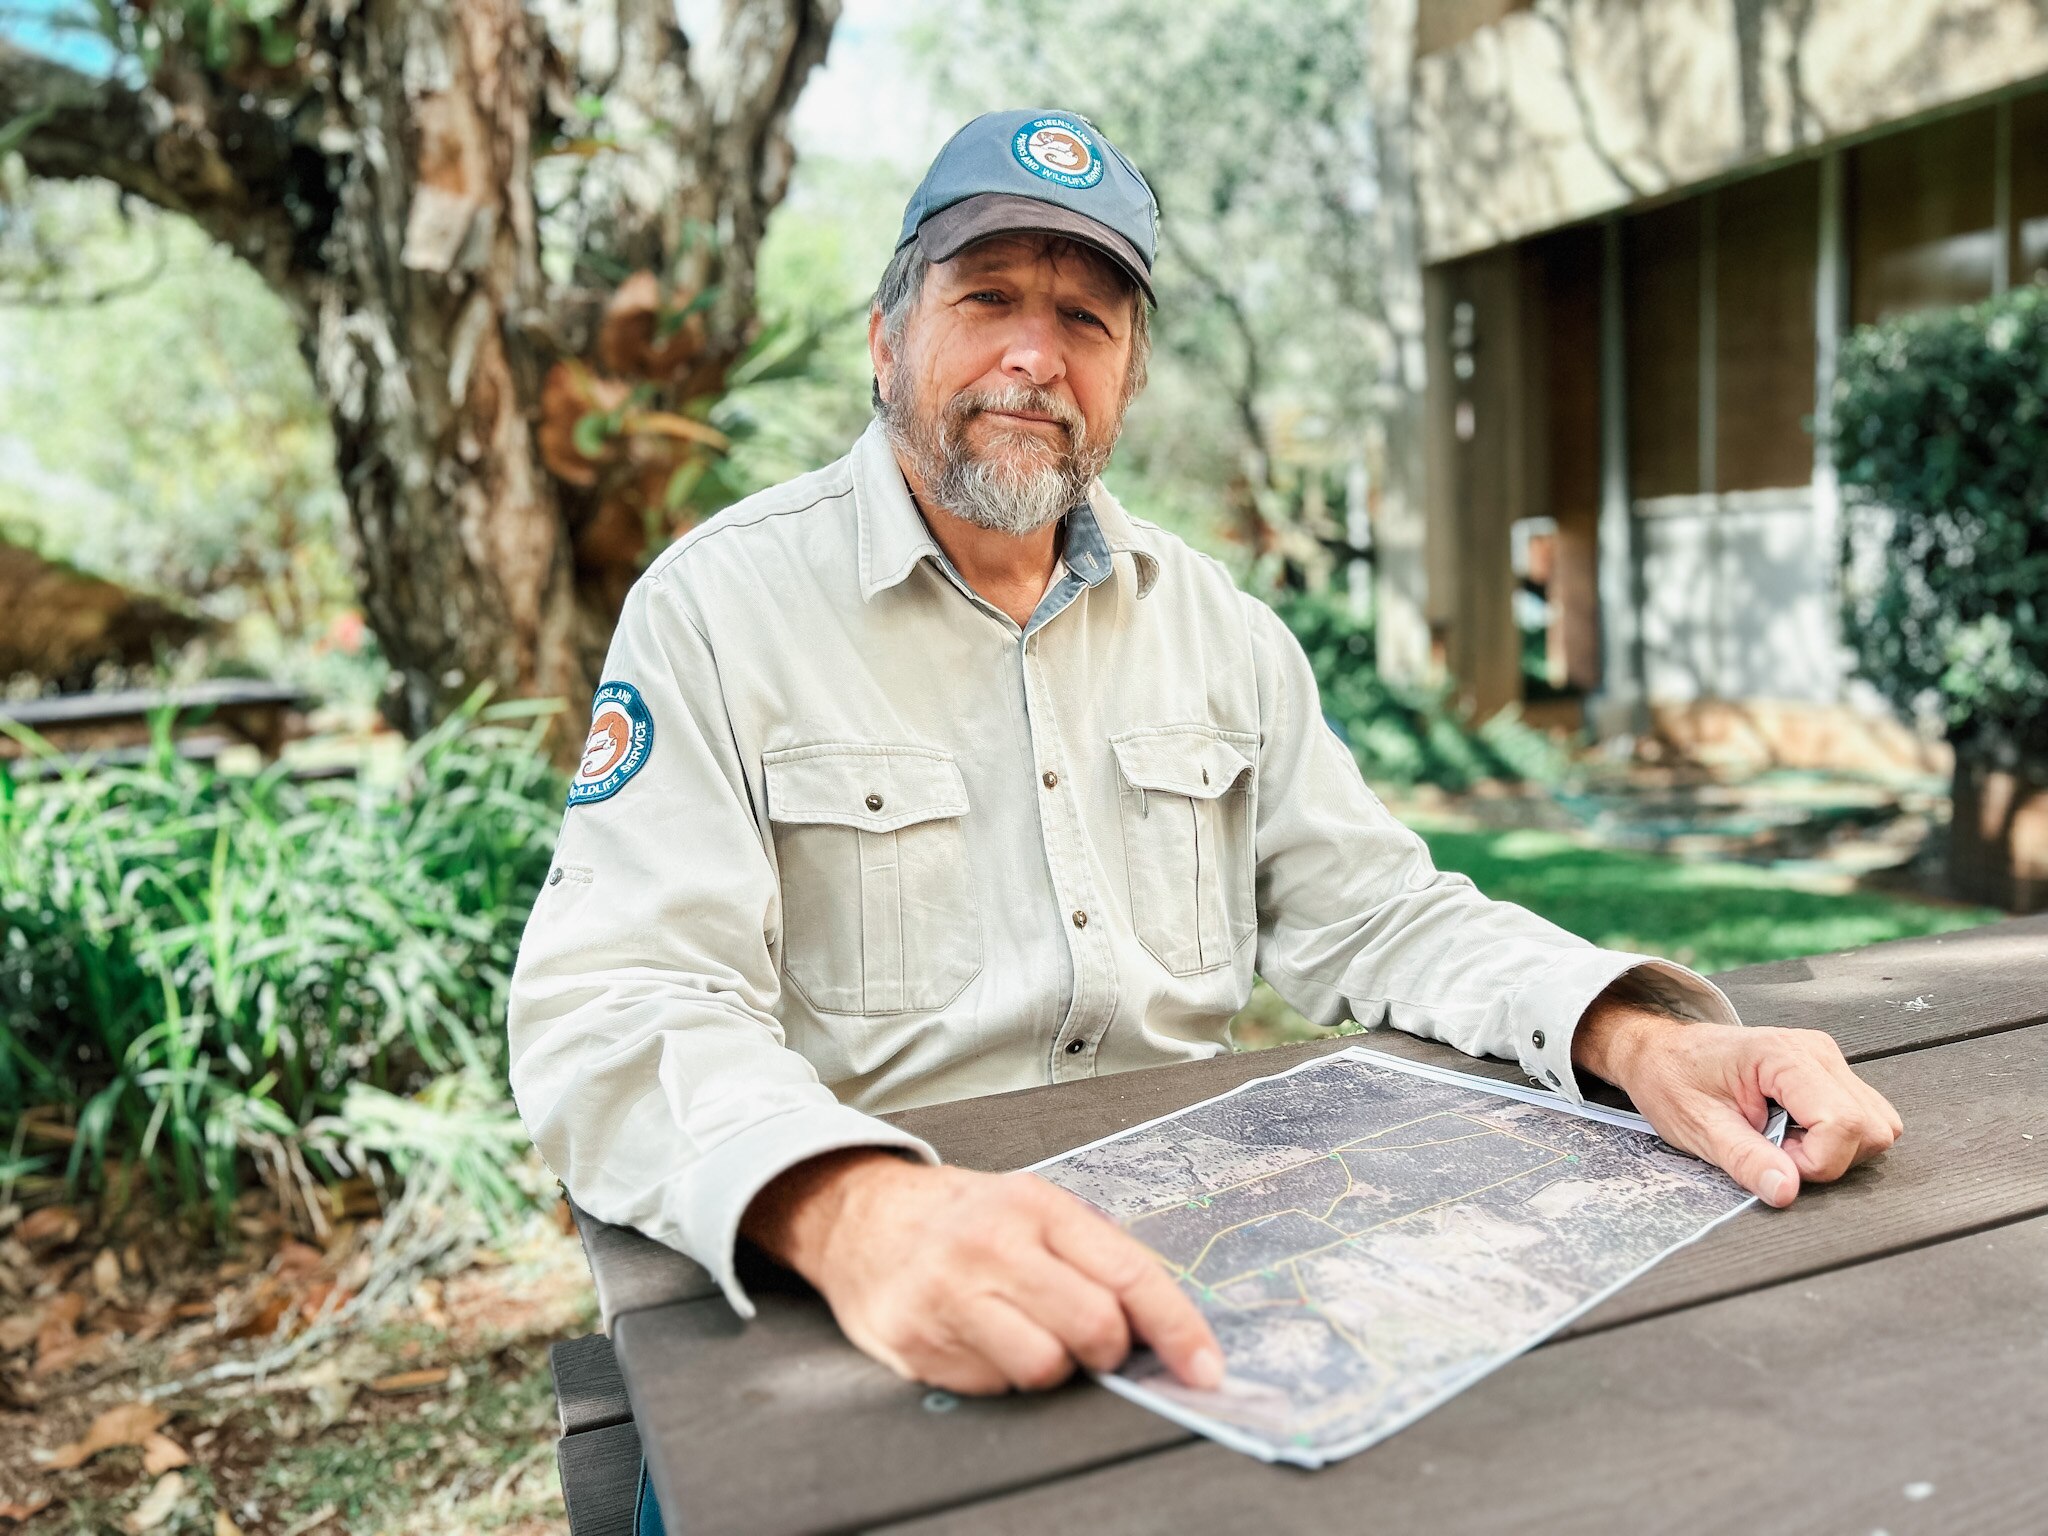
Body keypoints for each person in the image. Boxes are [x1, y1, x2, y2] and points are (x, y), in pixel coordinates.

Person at [508, 111, 1902, 1524]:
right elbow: (612, 1002)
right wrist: (852, 1208)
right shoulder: (719, 610)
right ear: (886, 336)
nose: (1035, 356)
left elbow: (1380, 912)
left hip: (1194, 1285)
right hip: (856, 1315)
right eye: (986, 297)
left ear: (1130, 376)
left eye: (1086, 317)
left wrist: (1637, 1035)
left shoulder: (1221, 631)